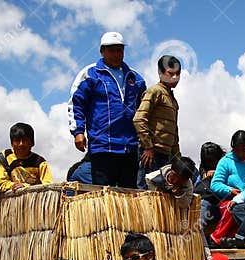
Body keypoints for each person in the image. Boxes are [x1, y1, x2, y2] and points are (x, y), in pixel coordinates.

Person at [69, 32, 146, 188]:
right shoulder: (90, 74)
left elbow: (144, 110)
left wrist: (146, 142)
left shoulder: (135, 78)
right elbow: (76, 103)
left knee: (128, 196)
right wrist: (78, 132)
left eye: (120, 50)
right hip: (102, 145)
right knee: (104, 194)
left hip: (129, 147)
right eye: (111, 50)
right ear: (102, 51)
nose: (116, 54)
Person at [134, 55, 182, 189]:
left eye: (178, 74)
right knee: (146, 193)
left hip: (166, 156)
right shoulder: (154, 91)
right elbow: (139, 119)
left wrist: (178, 158)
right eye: (170, 73)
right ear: (161, 73)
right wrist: (148, 147)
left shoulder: (172, 99)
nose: (175, 77)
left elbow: (174, 131)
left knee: (161, 193)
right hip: (151, 154)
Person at [208, 130, 245, 245]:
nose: (241, 153)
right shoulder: (226, 161)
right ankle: (216, 239)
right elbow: (215, 184)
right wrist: (229, 190)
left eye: (244, 150)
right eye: (237, 150)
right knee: (231, 208)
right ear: (233, 148)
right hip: (230, 201)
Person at [0, 122, 53, 194]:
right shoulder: (6, 157)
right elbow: (1, 184)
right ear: (12, 143)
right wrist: (13, 185)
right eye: (17, 140)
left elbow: (48, 185)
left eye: (25, 140)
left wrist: (25, 186)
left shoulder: (40, 162)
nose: (21, 144)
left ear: (32, 143)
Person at [194, 142, 226, 235]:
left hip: (222, 202)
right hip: (205, 201)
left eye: (212, 160)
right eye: (207, 161)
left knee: (205, 206)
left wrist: (218, 174)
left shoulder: (227, 164)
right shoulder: (202, 171)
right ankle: (196, 236)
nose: (210, 164)